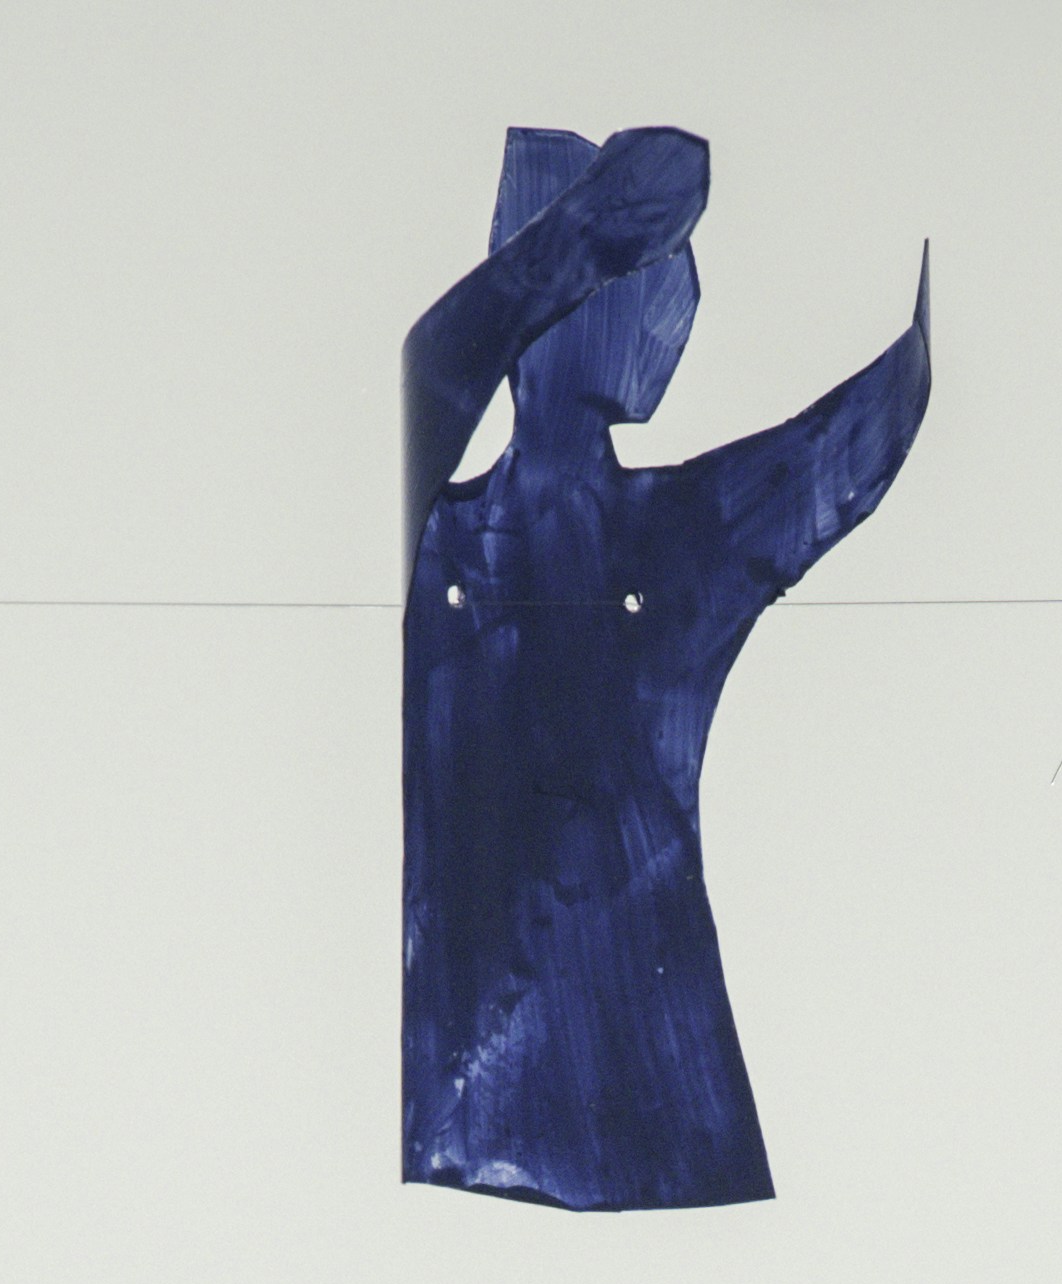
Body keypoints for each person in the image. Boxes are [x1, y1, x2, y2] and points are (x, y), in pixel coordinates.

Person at [399, 123, 934, 1212]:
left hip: (638, 1070)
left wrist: (931, 326)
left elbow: (855, 445)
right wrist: (578, 243)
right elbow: (430, 376)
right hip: (495, 1056)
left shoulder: (672, 539)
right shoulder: (440, 537)